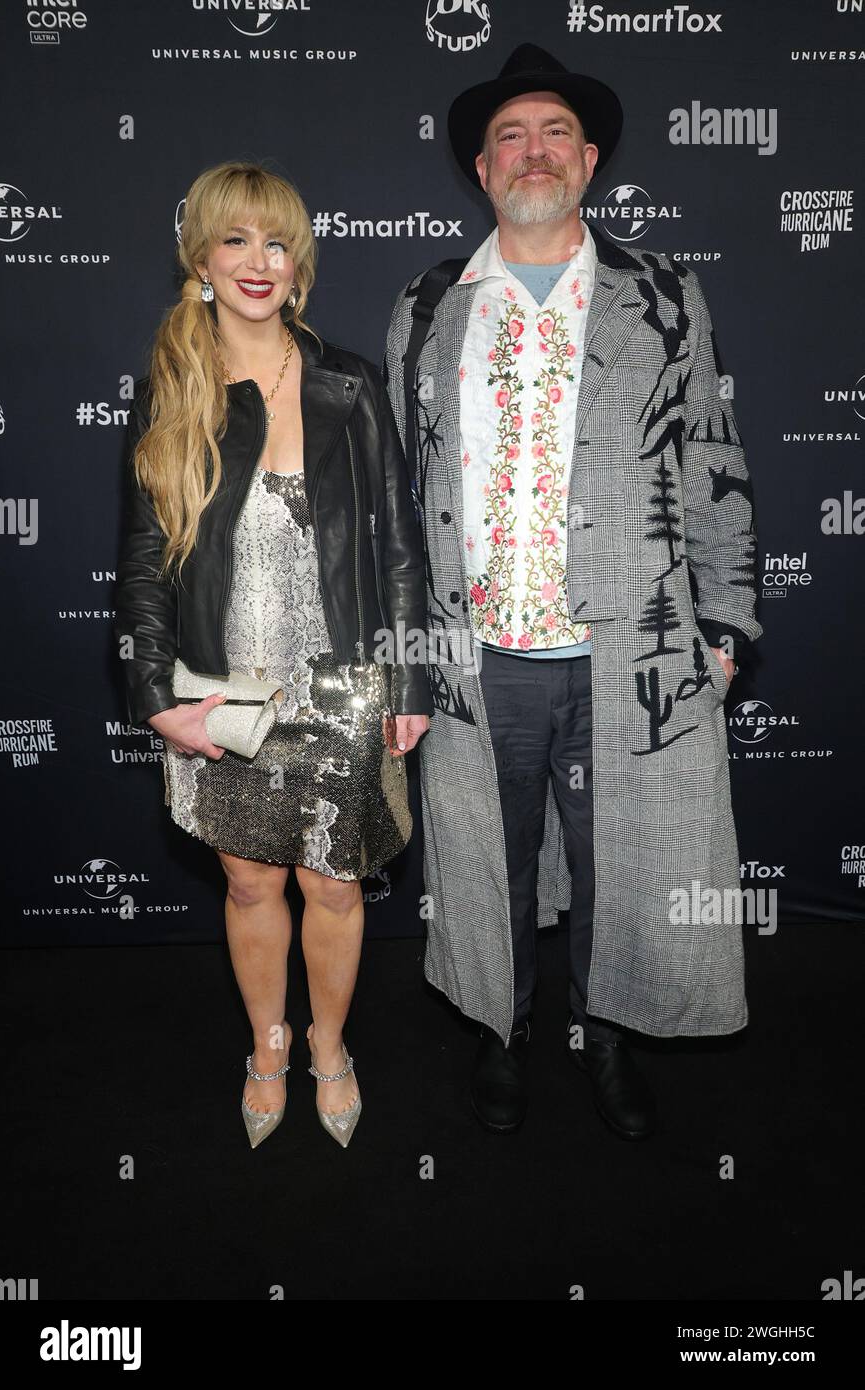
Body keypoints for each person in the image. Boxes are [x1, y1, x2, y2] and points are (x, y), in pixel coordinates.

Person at [383, 45, 762, 1138]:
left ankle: (607, 1041)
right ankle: (502, 1036)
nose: (532, 151)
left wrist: (726, 624)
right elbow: (403, 500)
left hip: (628, 652)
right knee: (484, 863)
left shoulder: (662, 295)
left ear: (587, 162)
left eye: (554, 133)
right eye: (510, 134)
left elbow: (712, 462)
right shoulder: (426, 307)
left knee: (623, 870)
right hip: (476, 655)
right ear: (478, 165)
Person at [113, 161, 431, 1150]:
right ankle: (267, 1047)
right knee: (250, 884)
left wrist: (412, 672)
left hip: (343, 681)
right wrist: (156, 688)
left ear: (299, 265)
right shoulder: (173, 384)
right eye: (236, 240)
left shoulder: (347, 384)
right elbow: (140, 557)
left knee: (335, 884)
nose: (259, 261)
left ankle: (329, 1047)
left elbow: (396, 544)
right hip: (222, 680)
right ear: (201, 257)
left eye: (278, 241)